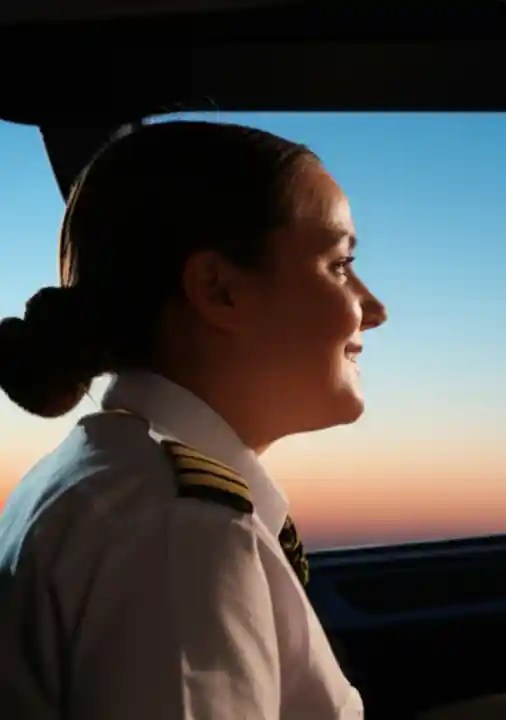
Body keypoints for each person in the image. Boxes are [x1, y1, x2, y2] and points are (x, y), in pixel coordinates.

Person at [0, 120, 388, 719]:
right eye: (339, 265)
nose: (373, 308)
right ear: (218, 289)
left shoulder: (103, 480)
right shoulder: (183, 534)